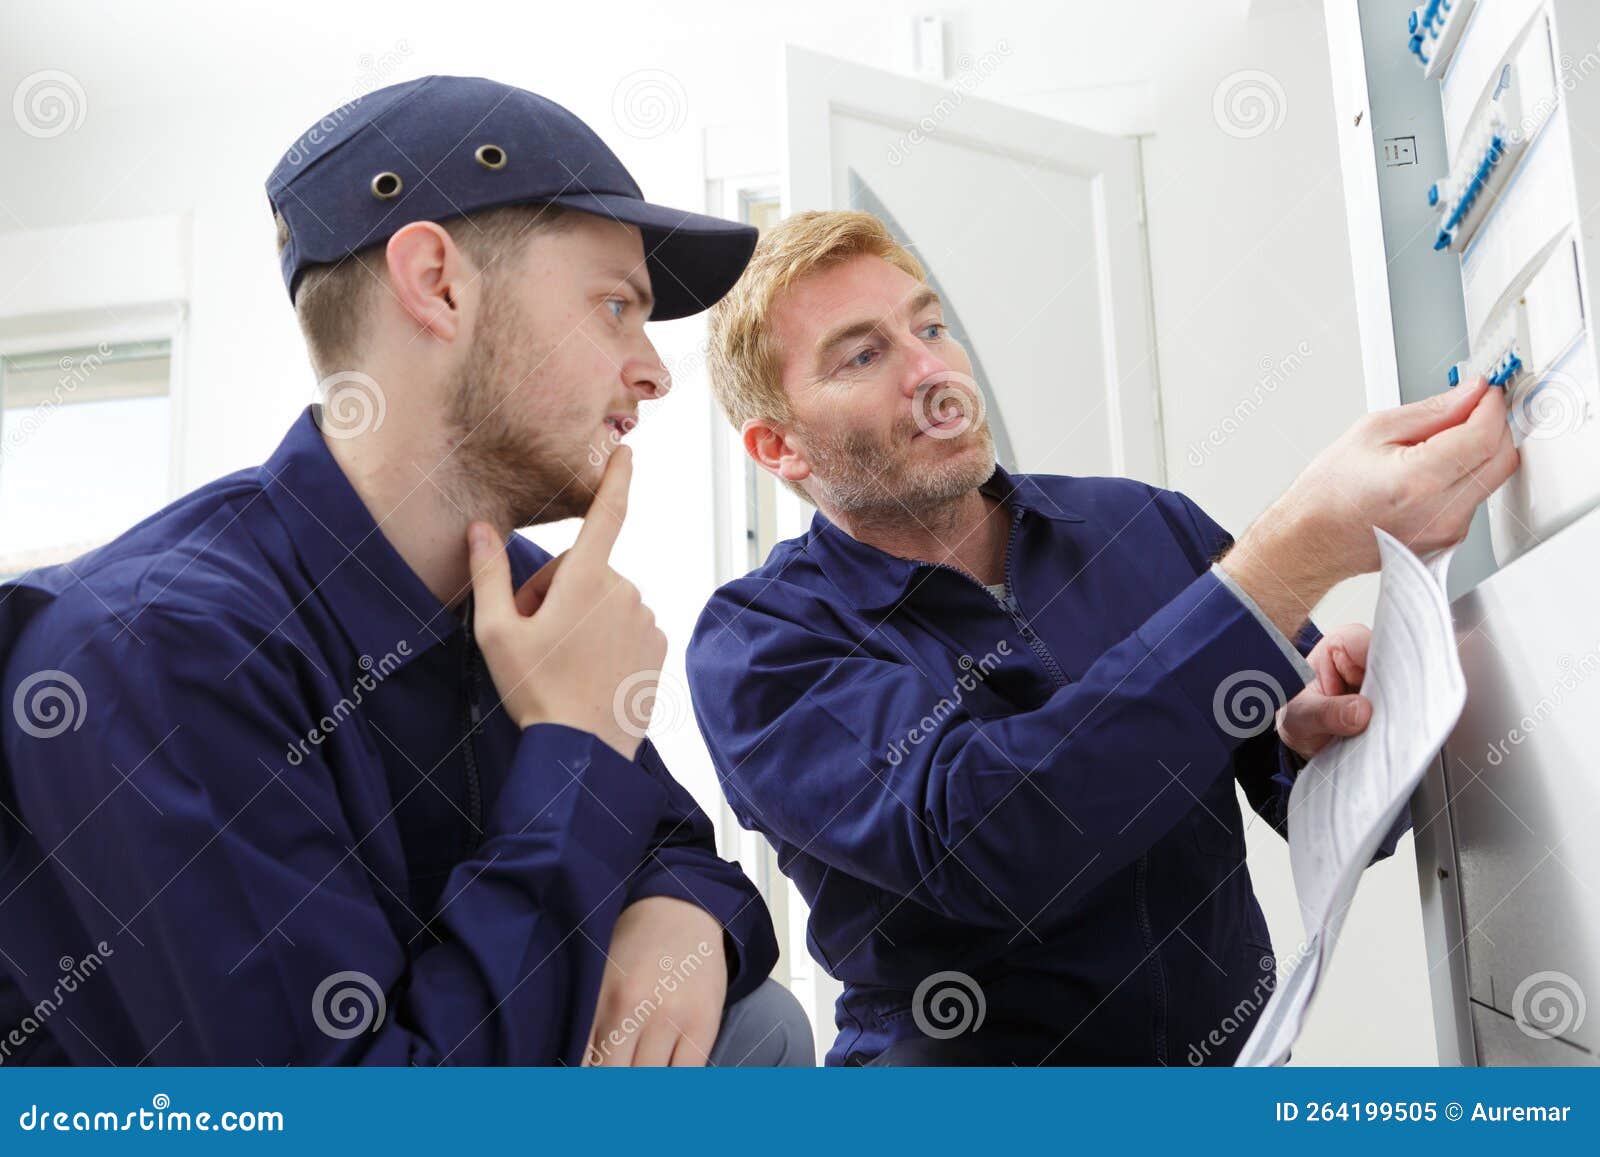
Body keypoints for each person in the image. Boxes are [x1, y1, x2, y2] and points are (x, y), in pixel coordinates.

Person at [0, 76, 812, 1068]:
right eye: (614, 305)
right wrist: (575, 741)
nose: (652, 368)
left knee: (757, 1020)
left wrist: (684, 914)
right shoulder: (150, 648)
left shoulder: (514, 595)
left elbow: (676, 847)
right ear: (437, 282)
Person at [685, 209, 1518, 1065]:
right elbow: (991, 841)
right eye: (864, 355)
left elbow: (1345, 823)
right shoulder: (759, 643)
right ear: (779, 445)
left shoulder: (1142, 524)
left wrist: (1332, 730)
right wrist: (1292, 554)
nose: (932, 371)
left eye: (930, 325)